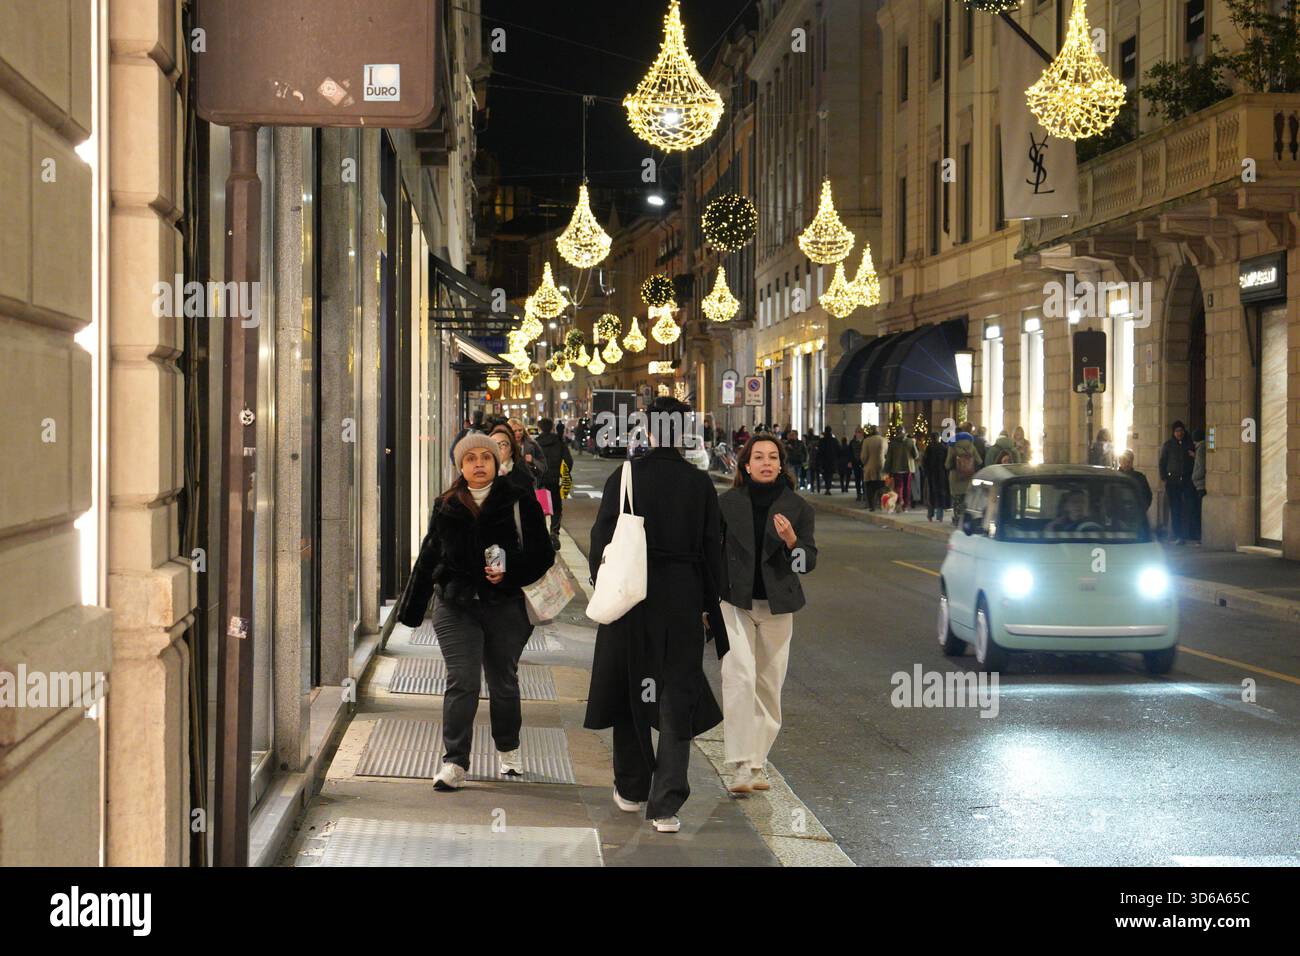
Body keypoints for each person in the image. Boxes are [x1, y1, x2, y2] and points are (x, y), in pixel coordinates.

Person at [585, 398, 728, 834]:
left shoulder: (624, 476)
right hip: (681, 598)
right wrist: (708, 605)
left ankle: (631, 788)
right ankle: (666, 805)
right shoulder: (699, 483)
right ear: (684, 433)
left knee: (634, 688)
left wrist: (604, 584)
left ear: (646, 431)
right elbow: (712, 550)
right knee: (675, 698)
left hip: (632, 600)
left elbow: (600, 543)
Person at [399, 433, 555, 790]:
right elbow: (429, 556)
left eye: (487, 457)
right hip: (457, 606)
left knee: (503, 682)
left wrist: (509, 570)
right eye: (471, 459)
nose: (480, 463)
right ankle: (454, 762)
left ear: (498, 463)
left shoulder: (519, 500)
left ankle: (508, 749)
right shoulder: (447, 504)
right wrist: (411, 610)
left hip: (506, 606)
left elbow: (543, 554)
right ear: (461, 466)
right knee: (462, 681)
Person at [717, 435, 817, 794]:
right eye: (758, 456)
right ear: (745, 465)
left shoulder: (798, 508)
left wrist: (792, 541)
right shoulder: (727, 503)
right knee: (739, 676)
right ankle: (741, 766)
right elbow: (711, 552)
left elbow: (807, 563)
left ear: (780, 465)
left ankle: (757, 764)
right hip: (734, 602)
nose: (766, 462)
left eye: (772, 457)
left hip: (778, 607)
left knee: (769, 686)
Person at [534, 418, 572, 550]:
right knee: (556, 508)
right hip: (555, 480)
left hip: (541, 480)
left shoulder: (536, 443)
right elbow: (568, 461)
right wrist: (563, 474)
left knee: (541, 508)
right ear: (552, 427)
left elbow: (533, 462)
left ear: (539, 427)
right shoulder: (559, 442)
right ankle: (554, 532)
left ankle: (543, 534)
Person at [1159, 420, 1197, 544]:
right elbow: (1162, 461)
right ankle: (1177, 535)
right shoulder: (1168, 445)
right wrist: (1164, 477)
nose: (1179, 433)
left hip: (1186, 480)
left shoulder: (1189, 444)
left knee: (1188, 507)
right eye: (1177, 431)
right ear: (1173, 432)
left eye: (1181, 430)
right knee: (1175, 508)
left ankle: (1188, 534)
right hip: (1172, 481)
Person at [945, 429, 983, 525]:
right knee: (966, 500)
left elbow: (948, 464)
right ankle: (966, 520)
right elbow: (980, 461)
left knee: (957, 500)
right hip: (969, 477)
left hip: (955, 477)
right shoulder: (971, 446)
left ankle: (958, 519)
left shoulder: (952, 447)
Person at [490, 424, 535, 495]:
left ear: (511, 451)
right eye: (493, 444)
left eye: (503, 444)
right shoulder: (481, 476)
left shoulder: (523, 480)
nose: (497, 447)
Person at [885, 427, 916, 514]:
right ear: (904, 432)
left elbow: (889, 458)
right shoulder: (910, 441)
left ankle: (899, 502)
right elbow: (916, 455)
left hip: (896, 469)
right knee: (907, 487)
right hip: (908, 468)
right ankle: (905, 506)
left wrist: (886, 469)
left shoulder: (892, 443)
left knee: (899, 487)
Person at [922, 431, 950, 521]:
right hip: (941, 474)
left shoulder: (929, 448)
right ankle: (940, 516)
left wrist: (926, 472)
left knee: (931, 494)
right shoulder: (943, 447)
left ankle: (930, 515)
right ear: (939, 438)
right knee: (941, 493)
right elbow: (947, 462)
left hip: (931, 474)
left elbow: (925, 462)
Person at [508, 418, 546, 484]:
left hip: (530, 482)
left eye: (520, 430)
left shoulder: (533, 444)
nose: (518, 433)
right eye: (514, 431)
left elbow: (543, 465)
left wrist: (532, 461)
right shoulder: (505, 445)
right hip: (511, 482)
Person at [860, 425, 887, 511]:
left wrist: (864, 463)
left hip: (870, 467)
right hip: (882, 466)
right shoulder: (884, 440)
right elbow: (886, 453)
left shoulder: (866, 441)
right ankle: (882, 504)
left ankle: (872, 506)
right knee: (882, 487)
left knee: (870, 488)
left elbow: (864, 456)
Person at [1190, 427, 1207, 543]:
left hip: (1200, 484)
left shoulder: (1200, 449)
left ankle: (1198, 537)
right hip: (1200, 484)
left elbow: (1201, 466)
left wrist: (1194, 478)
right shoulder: (1202, 448)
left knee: (1198, 512)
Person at [817, 427, 838, 496]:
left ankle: (827, 487)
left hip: (824, 460)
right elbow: (838, 449)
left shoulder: (822, 440)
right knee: (830, 475)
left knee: (825, 474)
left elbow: (819, 451)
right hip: (831, 460)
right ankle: (828, 488)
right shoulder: (834, 440)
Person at [849, 427, 866, 500]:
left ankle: (865, 494)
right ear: (855, 433)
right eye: (857, 432)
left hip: (863, 463)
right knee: (857, 479)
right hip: (855, 462)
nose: (858, 434)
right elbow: (849, 453)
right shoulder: (852, 442)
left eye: (860, 432)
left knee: (864, 479)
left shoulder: (865, 441)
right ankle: (858, 494)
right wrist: (849, 461)